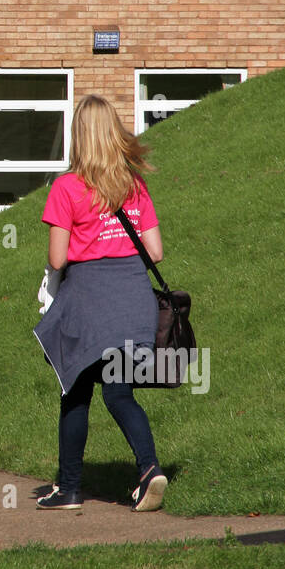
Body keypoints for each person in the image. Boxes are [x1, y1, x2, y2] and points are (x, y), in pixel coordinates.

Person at [33, 93, 168, 513]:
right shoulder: (134, 185)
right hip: (133, 300)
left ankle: (70, 489)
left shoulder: (67, 187)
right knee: (119, 393)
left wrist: (86, 240)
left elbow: (57, 258)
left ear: (80, 136)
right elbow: (156, 252)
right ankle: (149, 471)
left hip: (90, 305)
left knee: (75, 392)